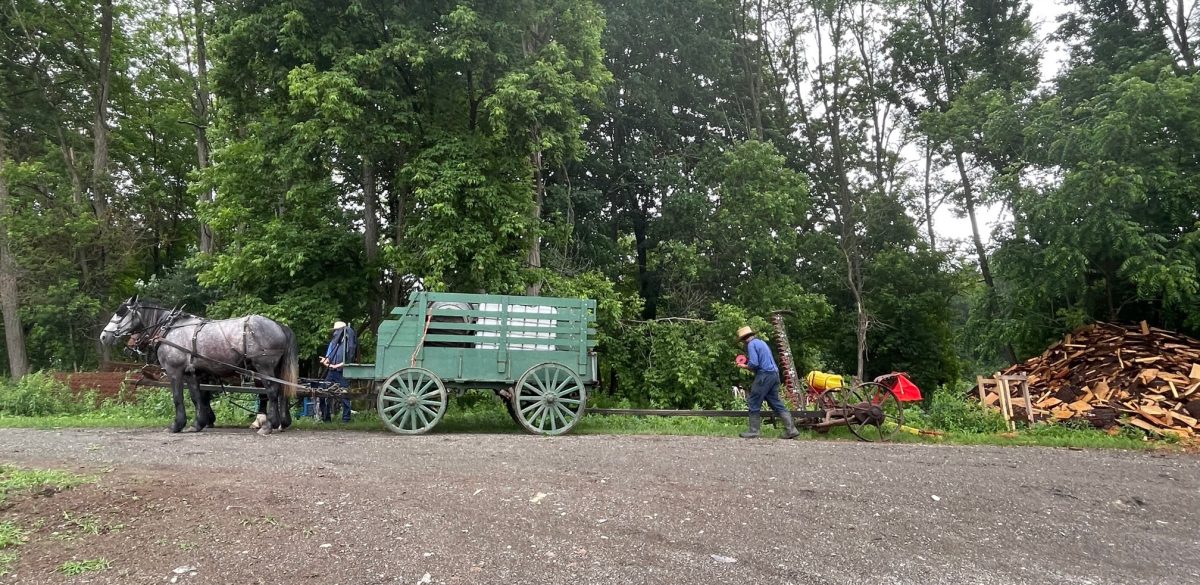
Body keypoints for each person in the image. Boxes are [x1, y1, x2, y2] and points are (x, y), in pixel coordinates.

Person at [735, 325, 799, 439]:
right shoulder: (761, 343)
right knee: (775, 402)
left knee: (754, 400)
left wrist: (743, 366)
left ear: (744, 339)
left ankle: (754, 431)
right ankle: (791, 430)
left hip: (764, 375)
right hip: (774, 375)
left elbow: (754, 363)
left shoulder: (751, 345)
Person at [319, 321, 356, 423]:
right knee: (322, 392)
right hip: (331, 372)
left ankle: (346, 420)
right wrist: (325, 361)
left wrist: (336, 365)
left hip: (342, 373)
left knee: (345, 396)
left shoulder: (348, 344)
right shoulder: (333, 343)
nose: (335, 333)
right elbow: (328, 358)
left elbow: (348, 360)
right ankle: (326, 418)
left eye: (337, 330)